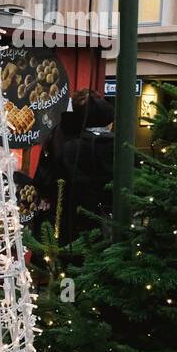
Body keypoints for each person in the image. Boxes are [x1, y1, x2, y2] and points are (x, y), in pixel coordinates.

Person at [34, 88, 115, 244]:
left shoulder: (62, 134)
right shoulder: (108, 144)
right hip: (81, 211)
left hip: (67, 212)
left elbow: (48, 170)